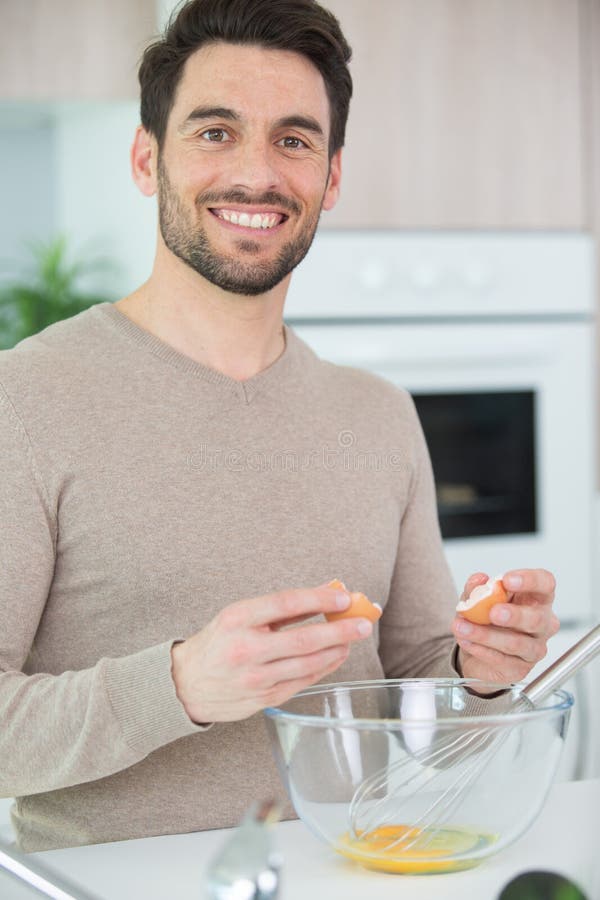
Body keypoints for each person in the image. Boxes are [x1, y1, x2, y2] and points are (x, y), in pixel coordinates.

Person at [0, 0, 558, 852]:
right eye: (215, 132)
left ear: (330, 179)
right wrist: (180, 686)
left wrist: (479, 676)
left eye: (294, 140)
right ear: (147, 159)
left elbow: (420, 685)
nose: (257, 173)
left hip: (358, 869)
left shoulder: (378, 413)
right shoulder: (25, 400)